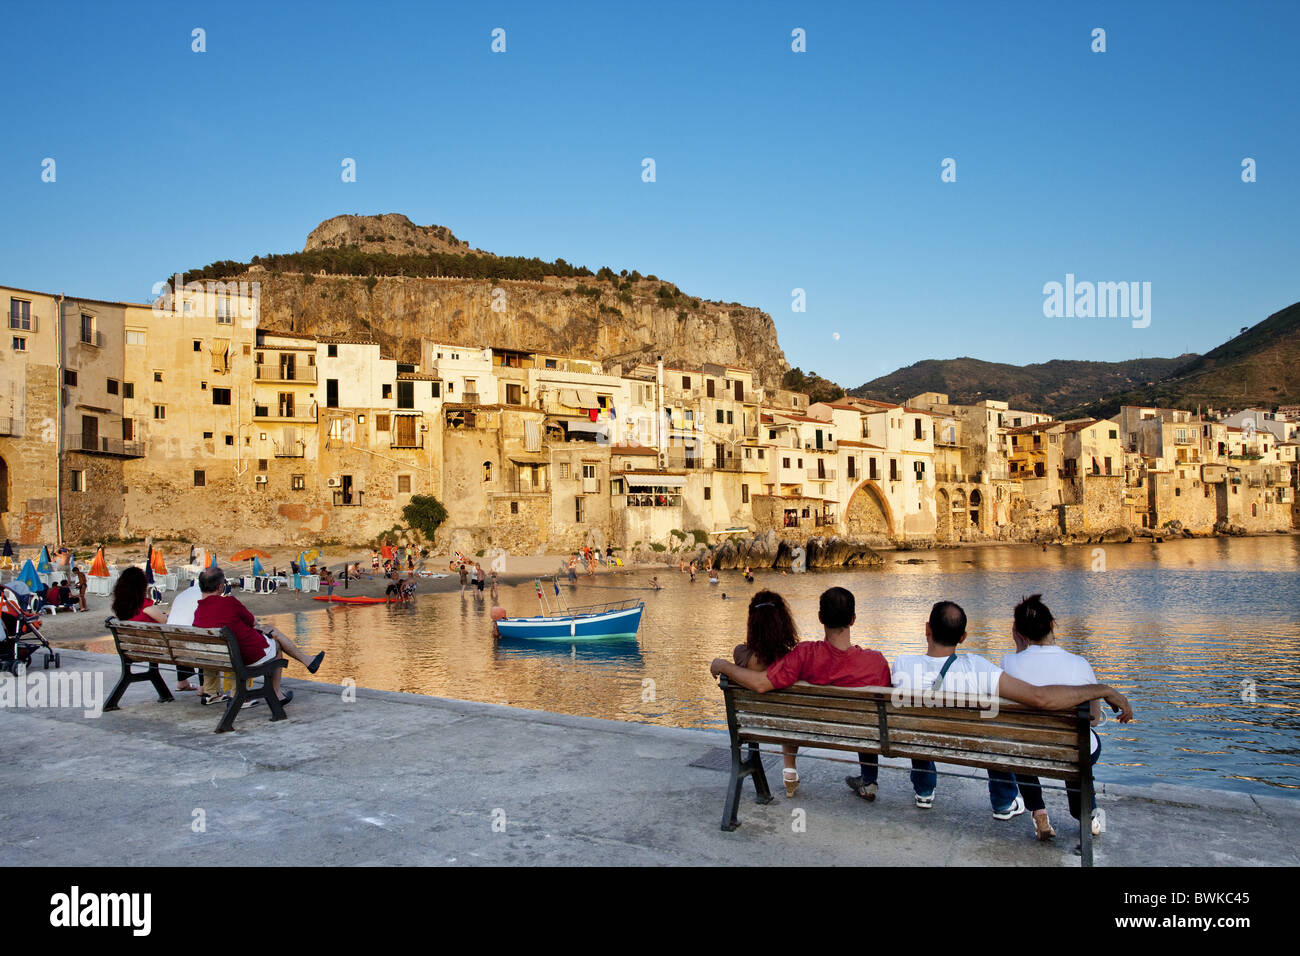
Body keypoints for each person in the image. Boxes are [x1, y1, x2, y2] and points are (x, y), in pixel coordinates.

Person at [890, 600, 1132, 819]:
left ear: (926, 629)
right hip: (974, 744)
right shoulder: (977, 667)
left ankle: (924, 790)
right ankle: (1004, 803)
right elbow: (1039, 697)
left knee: (922, 723)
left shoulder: (902, 664)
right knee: (997, 732)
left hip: (920, 740)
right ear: (963, 637)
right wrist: (1102, 689)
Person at [711, 587, 890, 801]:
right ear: (853, 619)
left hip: (813, 730)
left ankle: (792, 769)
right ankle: (868, 780)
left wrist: (723, 665)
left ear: (820, 617)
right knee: (867, 718)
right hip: (863, 733)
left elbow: (760, 683)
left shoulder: (804, 655)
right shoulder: (877, 662)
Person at [1000, 594, 1106, 842]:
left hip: (1030, 749)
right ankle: (1086, 815)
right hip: (1072, 750)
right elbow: (1093, 718)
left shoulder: (1009, 662)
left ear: (1018, 632)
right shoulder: (1080, 664)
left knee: (1021, 741)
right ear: (1051, 626)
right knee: (1080, 747)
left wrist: (1019, 651)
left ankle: (1038, 810)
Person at [191, 567, 323, 706]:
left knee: (265, 633)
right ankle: (277, 693)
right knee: (276, 642)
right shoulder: (229, 602)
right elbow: (253, 622)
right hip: (242, 657)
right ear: (220, 587)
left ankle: (211, 693)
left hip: (213, 657)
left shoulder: (198, 611)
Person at [730, 591, 802, 795]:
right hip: (794, 725)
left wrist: (723, 665)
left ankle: (788, 771)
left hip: (754, 727)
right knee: (789, 713)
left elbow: (759, 666)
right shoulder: (793, 658)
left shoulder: (741, 655)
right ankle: (789, 768)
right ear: (784, 622)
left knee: (782, 711)